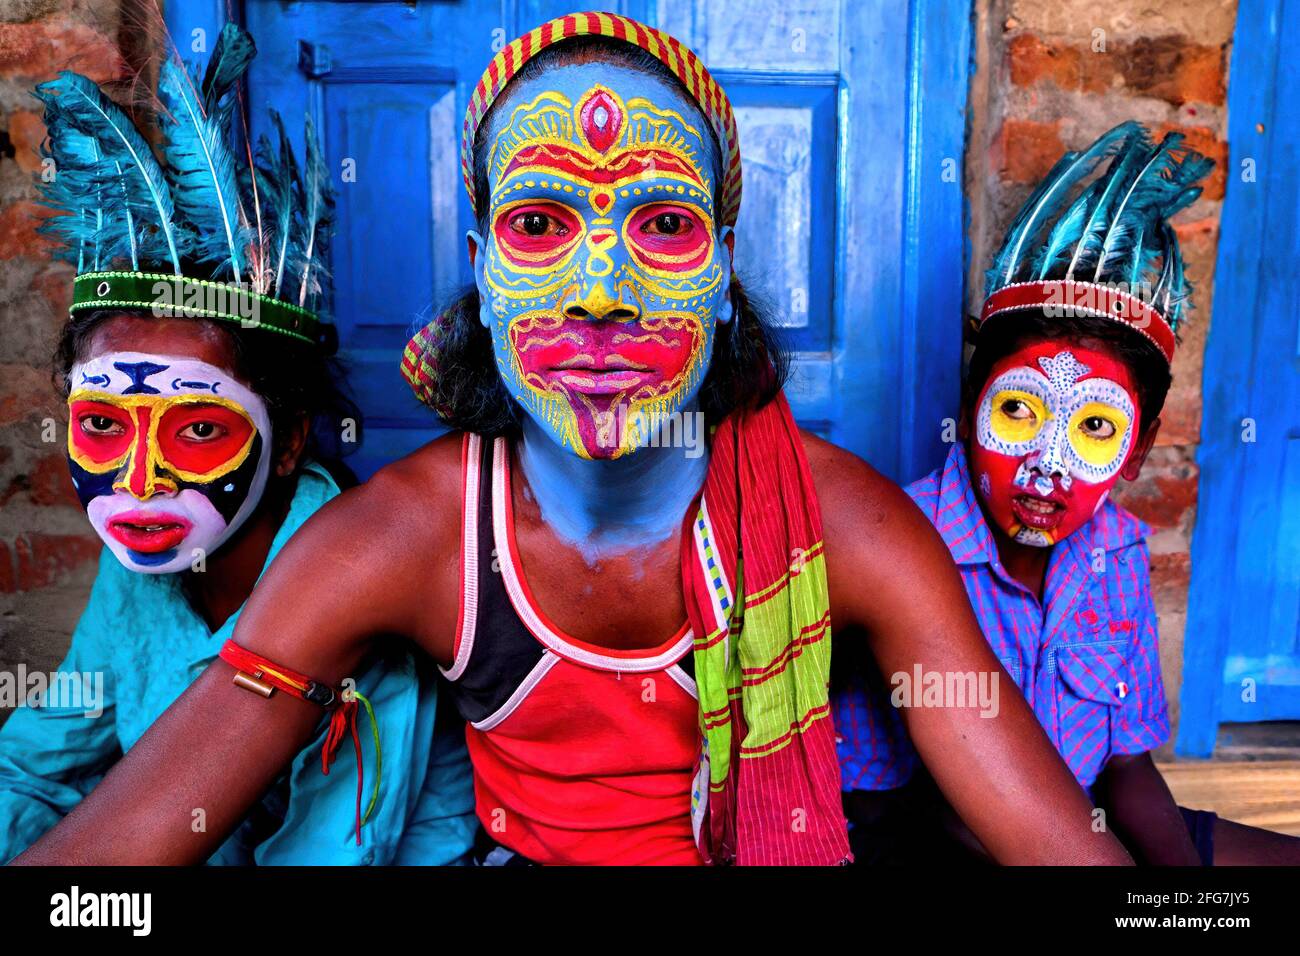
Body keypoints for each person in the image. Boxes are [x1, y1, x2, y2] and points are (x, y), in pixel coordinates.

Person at [17, 12, 1132, 867]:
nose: (601, 290)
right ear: (482, 271)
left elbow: (1053, 842)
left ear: (724, 266)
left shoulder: (848, 524)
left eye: (662, 224)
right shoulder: (405, 537)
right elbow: (114, 854)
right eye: (542, 226)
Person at [0, 23, 474, 865]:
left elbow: (331, 854)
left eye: (200, 430)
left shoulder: (365, 586)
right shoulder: (143, 562)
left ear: (288, 443)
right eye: (102, 424)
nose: (136, 478)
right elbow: (37, 768)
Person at [834, 121, 1300, 865]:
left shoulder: (1114, 553)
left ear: (1136, 452)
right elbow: (909, 805)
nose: (1047, 468)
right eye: (1018, 411)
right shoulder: (900, 543)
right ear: (971, 405)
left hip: (1086, 830)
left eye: (1092, 429)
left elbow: (1125, 767)